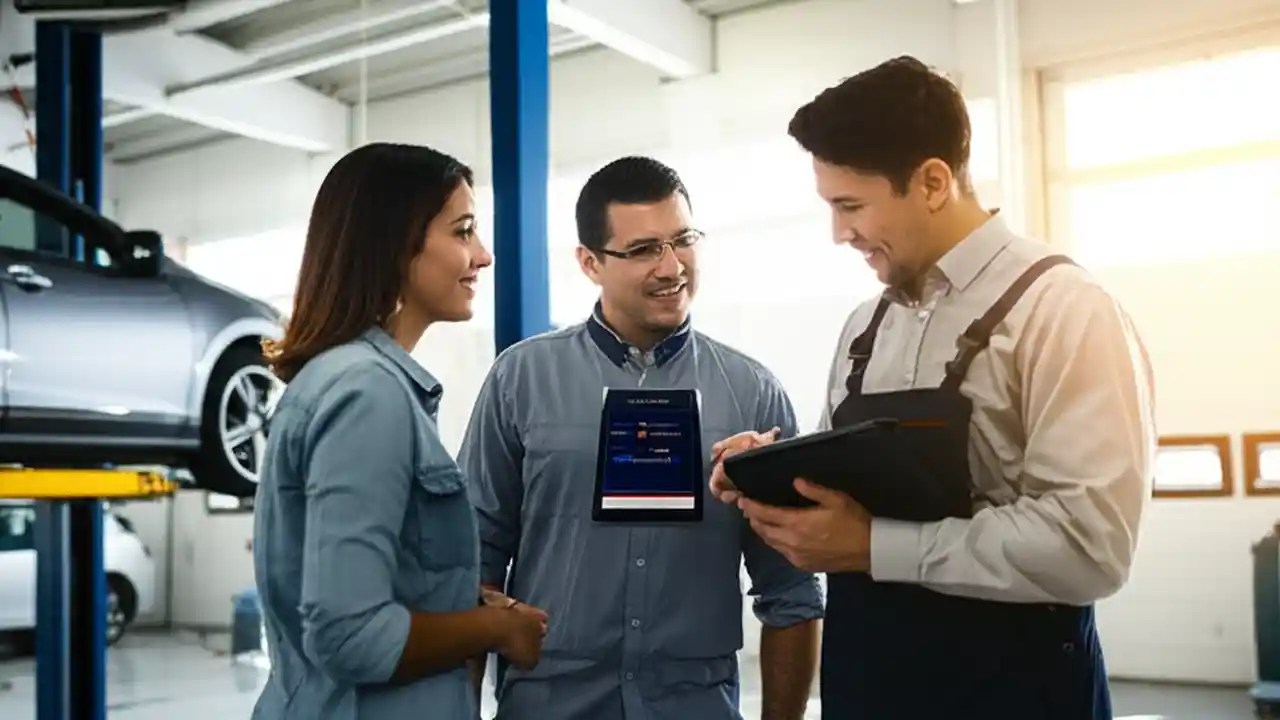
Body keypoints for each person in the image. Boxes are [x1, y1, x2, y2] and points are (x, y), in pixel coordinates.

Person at [710, 56, 1156, 719]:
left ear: (933, 182)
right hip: (869, 688)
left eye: (851, 206)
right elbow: (850, 495)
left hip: (1016, 695)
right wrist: (771, 476)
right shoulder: (865, 328)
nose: (839, 233)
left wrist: (873, 546)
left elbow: (1090, 548)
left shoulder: (1064, 311)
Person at [458, 156, 824, 720]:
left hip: (695, 705)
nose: (671, 266)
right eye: (644, 249)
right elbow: (472, 561)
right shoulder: (521, 379)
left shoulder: (752, 392)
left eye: (683, 241)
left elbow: (792, 591)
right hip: (550, 704)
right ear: (590, 262)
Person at [250, 142, 548, 720]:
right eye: (463, 232)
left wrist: (464, 601)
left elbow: (363, 584)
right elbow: (349, 635)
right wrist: (494, 629)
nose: (483, 256)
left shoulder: (343, 380)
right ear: (394, 243)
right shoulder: (368, 394)